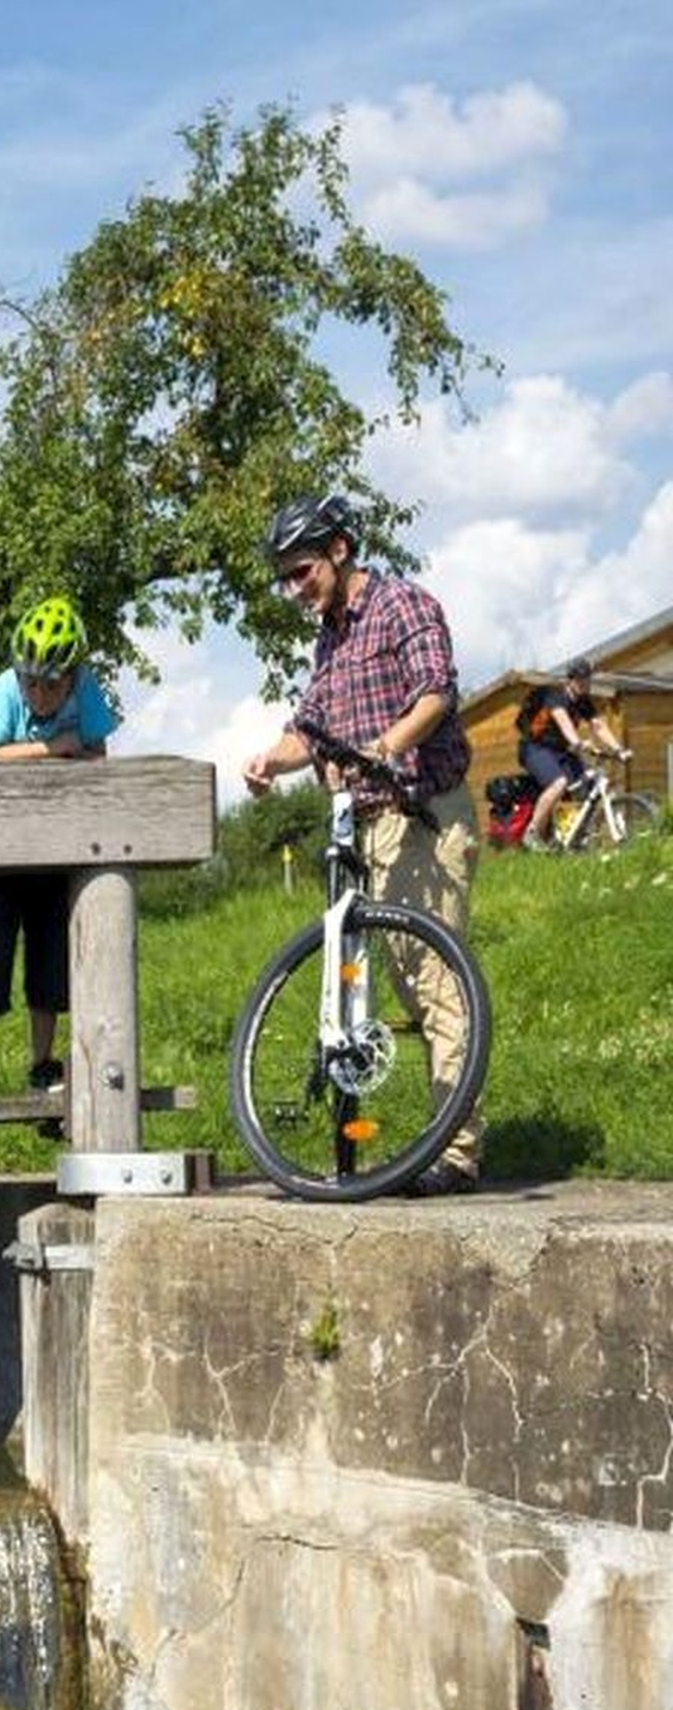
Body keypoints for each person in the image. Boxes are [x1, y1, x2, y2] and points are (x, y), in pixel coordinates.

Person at [240, 493, 483, 1195]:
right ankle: (409, 1146)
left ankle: (458, 1156)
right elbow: (309, 728)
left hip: (423, 812)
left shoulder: (403, 606)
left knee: (435, 981)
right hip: (365, 825)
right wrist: (270, 760)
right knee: (400, 984)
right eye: (285, 577)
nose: (294, 589)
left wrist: (382, 748)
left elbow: (436, 694)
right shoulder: (331, 638)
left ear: (340, 550)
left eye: (302, 571)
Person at [0, 596, 118, 1100]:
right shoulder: (5, 688)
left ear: (72, 677)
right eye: (31, 683)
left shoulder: (85, 690)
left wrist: (68, 753)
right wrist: (50, 750)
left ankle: (43, 1063)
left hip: (53, 849)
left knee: (49, 962)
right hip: (0, 851)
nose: (39, 695)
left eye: (51, 685)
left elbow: (99, 757)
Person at [515, 655, 629, 846]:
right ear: (571, 680)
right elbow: (564, 722)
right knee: (559, 783)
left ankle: (573, 835)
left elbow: (598, 725)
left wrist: (618, 749)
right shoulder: (556, 696)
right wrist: (579, 743)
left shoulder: (583, 701)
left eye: (588, 678)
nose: (586, 682)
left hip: (561, 750)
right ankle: (533, 832)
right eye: (582, 679)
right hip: (535, 748)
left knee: (589, 785)